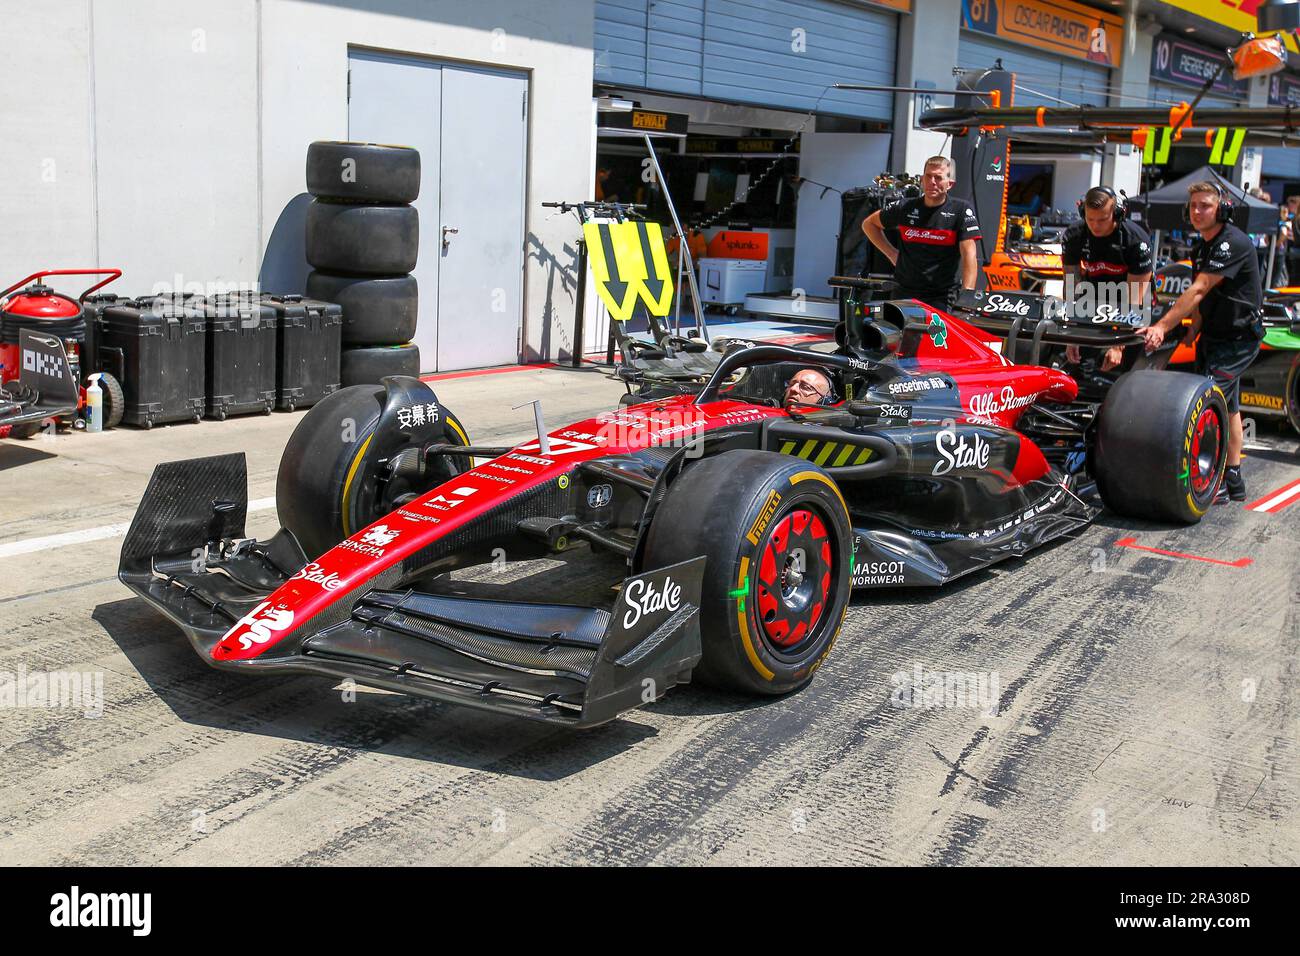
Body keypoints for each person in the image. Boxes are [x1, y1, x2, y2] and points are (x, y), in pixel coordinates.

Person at [1139, 181, 1265, 503]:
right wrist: (1193, 326)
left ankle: (1214, 478)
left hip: (1238, 340)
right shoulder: (1202, 247)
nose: (1197, 212)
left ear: (1221, 208)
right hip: (1216, 336)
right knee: (1230, 407)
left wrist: (1163, 326)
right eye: (1193, 206)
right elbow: (1204, 298)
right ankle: (1233, 479)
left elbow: (1198, 289)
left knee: (1208, 403)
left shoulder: (1231, 243)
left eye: (1205, 206)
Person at [861, 155, 981, 309]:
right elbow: (869, 224)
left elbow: (969, 256)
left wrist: (967, 297)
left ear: (950, 184)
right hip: (903, 292)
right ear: (922, 179)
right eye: (928, 176)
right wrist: (891, 253)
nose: (932, 182)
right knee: (900, 333)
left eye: (938, 178)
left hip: (941, 296)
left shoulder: (961, 210)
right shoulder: (905, 207)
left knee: (935, 333)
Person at [1061, 186, 1153, 371]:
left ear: (1117, 214)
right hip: (1094, 299)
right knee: (1082, 365)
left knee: (1123, 370)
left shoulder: (1136, 240)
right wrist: (1071, 333)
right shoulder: (1074, 235)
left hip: (1132, 301)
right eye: (1090, 219)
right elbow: (1071, 285)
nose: (1095, 225)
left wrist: (1118, 344)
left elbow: (1134, 298)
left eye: (1103, 219)